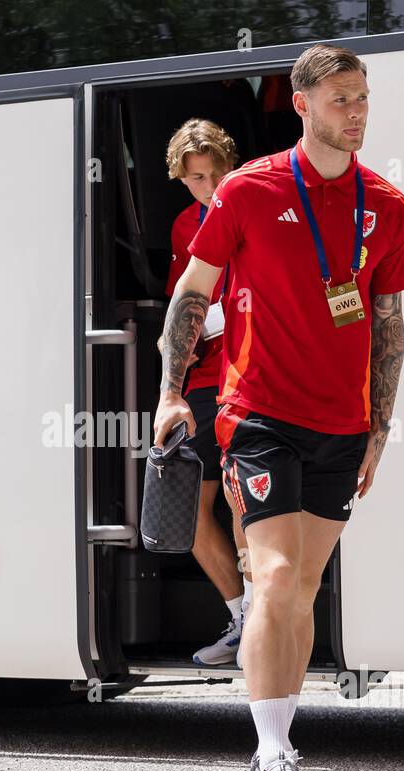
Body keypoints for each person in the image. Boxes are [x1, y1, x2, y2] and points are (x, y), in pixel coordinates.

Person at [153, 44, 404, 771]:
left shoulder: (388, 204)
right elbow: (192, 296)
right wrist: (172, 391)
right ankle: (272, 758)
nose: (357, 111)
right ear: (301, 105)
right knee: (270, 577)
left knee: (302, 587)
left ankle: (279, 739)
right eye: (341, 99)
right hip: (259, 416)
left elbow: (389, 323)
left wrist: (379, 427)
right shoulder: (246, 190)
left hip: (341, 422)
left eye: (363, 97)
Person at [161, 118, 251, 666]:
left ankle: (263, 615)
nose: (210, 185)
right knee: (188, 512)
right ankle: (242, 617)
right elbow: (183, 299)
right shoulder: (182, 225)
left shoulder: (253, 206)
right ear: (182, 177)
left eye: (218, 172)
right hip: (198, 382)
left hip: (245, 376)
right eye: (197, 177)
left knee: (248, 500)